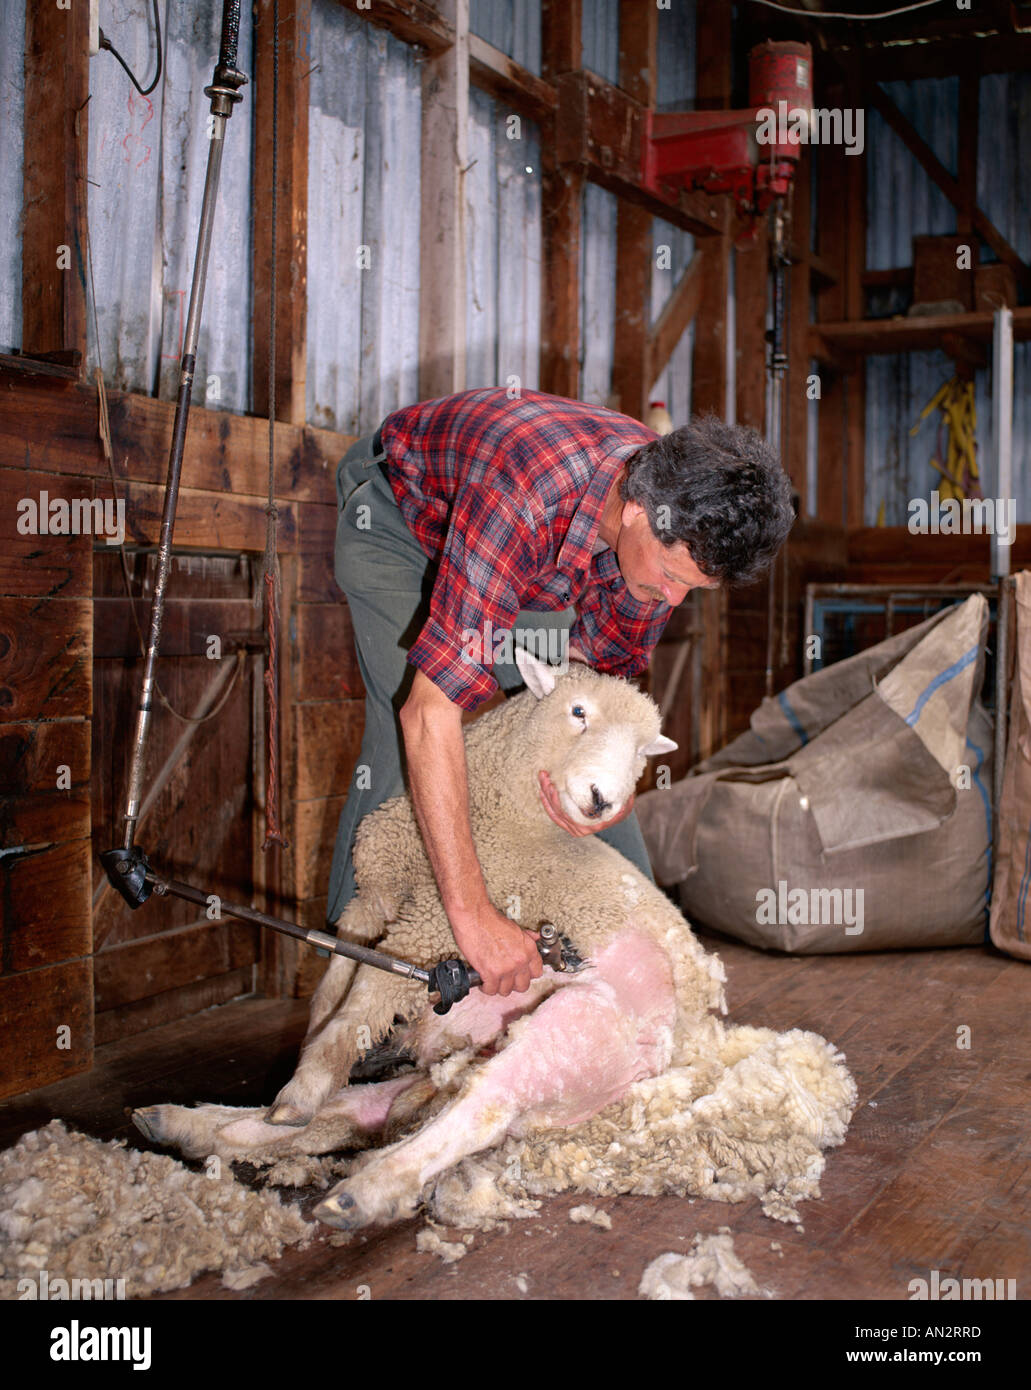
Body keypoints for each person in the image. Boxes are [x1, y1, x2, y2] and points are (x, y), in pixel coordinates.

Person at [328, 387, 793, 998]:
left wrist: (610, 788)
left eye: (694, 589)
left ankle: (624, 984)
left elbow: (601, 696)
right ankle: (360, 986)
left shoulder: (662, 527)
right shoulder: (523, 491)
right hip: (401, 524)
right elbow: (428, 714)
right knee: (404, 740)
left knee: (570, 744)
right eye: (674, 577)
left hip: (531, 557)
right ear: (635, 510)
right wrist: (475, 920)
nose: (674, 601)